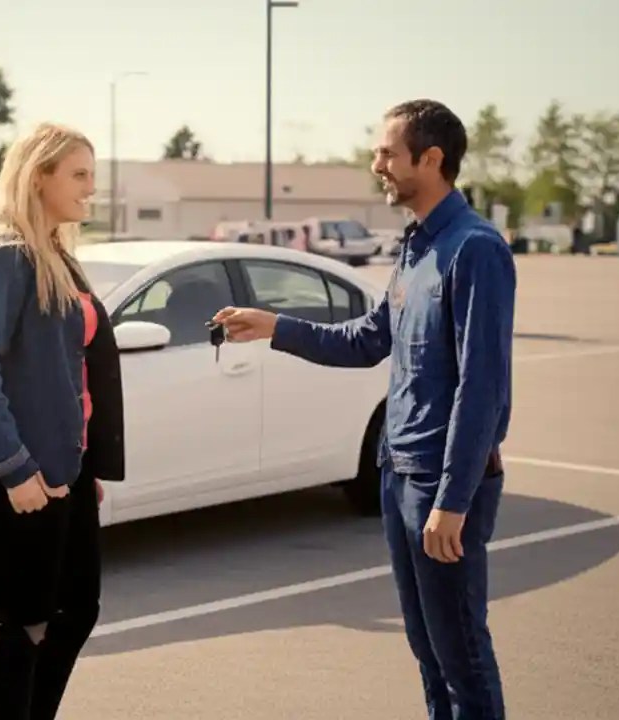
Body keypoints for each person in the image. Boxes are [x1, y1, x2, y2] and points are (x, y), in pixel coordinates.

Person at [213, 99, 515, 720]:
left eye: (387, 152)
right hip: (397, 474)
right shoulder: (413, 247)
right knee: (429, 650)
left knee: (462, 655)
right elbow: (368, 341)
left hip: (441, 486)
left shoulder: (475, 250)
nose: (376, 164)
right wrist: (273, 325)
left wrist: (452, 500)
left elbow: (480, 389)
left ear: (430, 159)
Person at [0, 121, 125, 720]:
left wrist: (83, 460)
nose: (89, 190)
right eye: (78, 175)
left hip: (63, 469)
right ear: (38, 176)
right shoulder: (5, 256)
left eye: (91, 177)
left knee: (76, 610)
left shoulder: (57, 256)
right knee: (22, 624)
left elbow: (68, 369)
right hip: (13, 473)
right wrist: (15, 468)